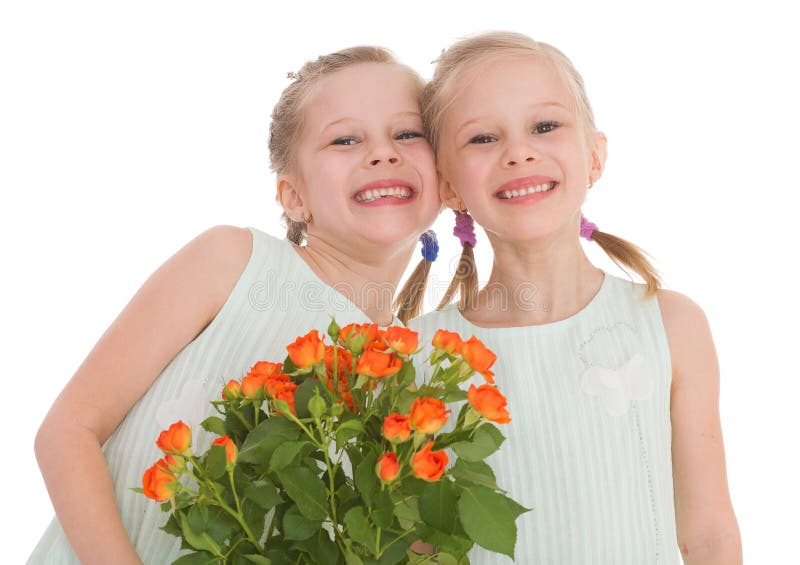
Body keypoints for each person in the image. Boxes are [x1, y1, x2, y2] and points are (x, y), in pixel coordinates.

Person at [30, 45, 440, 564]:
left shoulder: (415, 380)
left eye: (408, 133)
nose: (383, 153)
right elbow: (67, 432)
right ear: (294, 197)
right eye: (345, 139)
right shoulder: (234, 262)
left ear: (446, 179)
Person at [409, 31, 741, 564]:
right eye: (483, 139)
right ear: (448, 186)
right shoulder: (418, 354)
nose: (519, 152)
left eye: (545, 126)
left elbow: (707, 534)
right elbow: (421, 546)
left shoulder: (670, 325)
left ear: (594, 156)